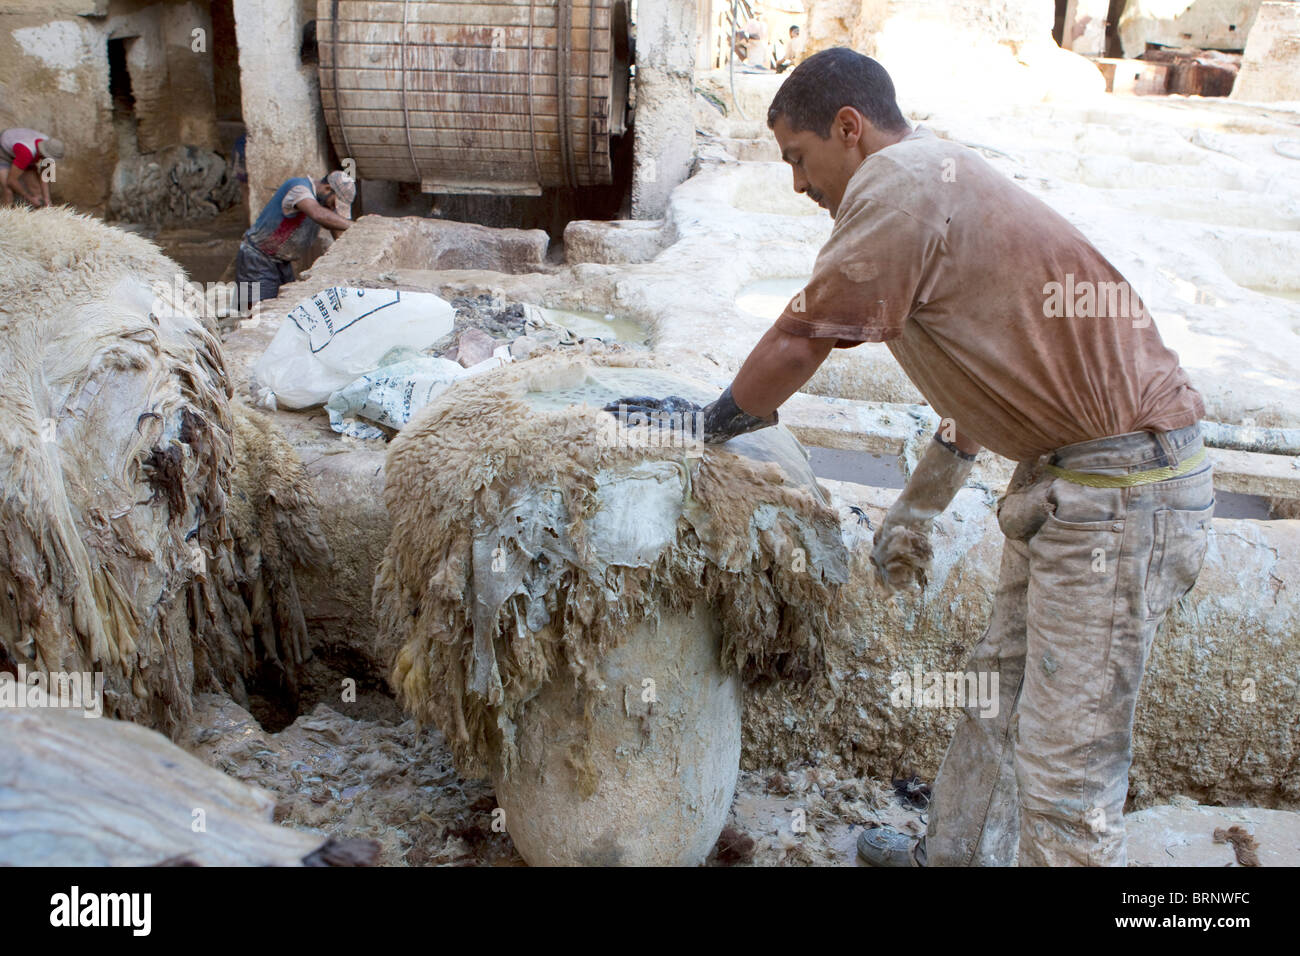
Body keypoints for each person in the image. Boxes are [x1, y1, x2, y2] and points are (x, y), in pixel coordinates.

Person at [608, 48, 1213, 867]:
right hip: (1074, 481)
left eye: (798, 157)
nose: (796, 183)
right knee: (992, 696)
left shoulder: (899, 183)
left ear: (849, 129)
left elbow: (802, 331)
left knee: (1068, 770)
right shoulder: (936, 187)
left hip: (1126, 492)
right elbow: (986, 381)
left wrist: (702, 427)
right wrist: (922, 505)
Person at [236, 169, 355, 306]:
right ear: (328, 188)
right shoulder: (299, 188)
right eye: (333, 203)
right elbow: (318, 214)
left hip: (281, 261)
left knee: (282, 307)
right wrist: (355, 226)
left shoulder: (322, 201)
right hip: (257, 259)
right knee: (257, 312)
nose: (332, 208)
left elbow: (334, 227)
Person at [1, 128, 64, 208]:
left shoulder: (51, 147)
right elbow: (11, 180)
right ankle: (7, 214)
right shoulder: (27, 153)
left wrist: (47, 200)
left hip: (19, 150)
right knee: (8, 191)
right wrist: (29, 198)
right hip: (3, 152)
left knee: (38, 191)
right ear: (43, 153)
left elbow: (45, 177)